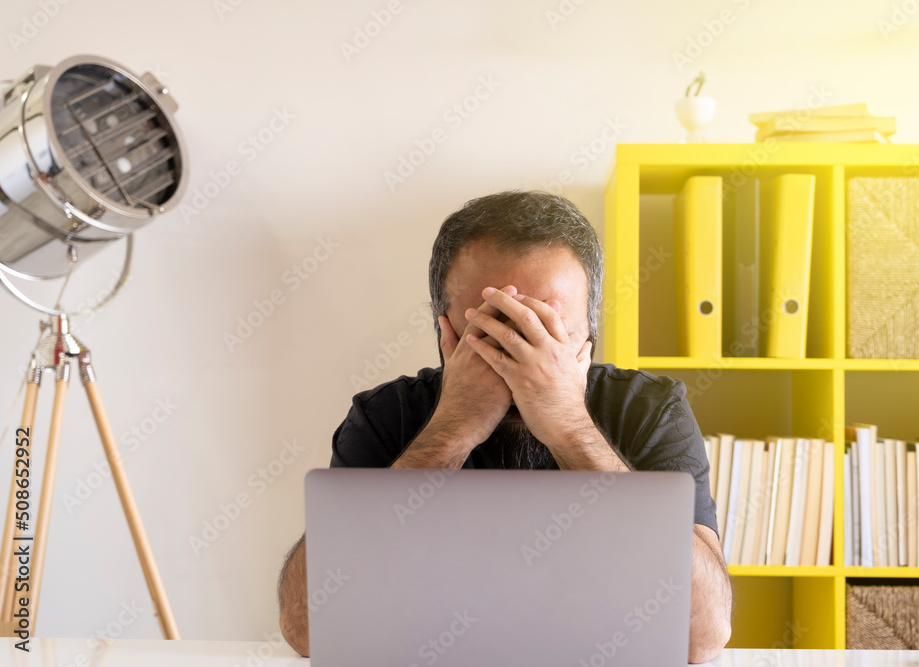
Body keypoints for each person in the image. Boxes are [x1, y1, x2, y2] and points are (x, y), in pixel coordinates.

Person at [277, 190, 732, 662]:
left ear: (589, 339)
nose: (521, 365)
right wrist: (451, 429)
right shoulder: (385, 415)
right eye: (492, 336)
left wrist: (570, 428)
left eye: (548, 335)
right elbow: (306, 627)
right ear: (444, 332)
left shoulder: (650, 411)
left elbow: (703, 634)